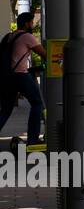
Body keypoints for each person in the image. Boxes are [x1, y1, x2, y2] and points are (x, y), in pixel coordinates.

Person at [0, 11, 46, 146]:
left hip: (7, 77)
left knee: (6, 110)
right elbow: (44, 54)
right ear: (26, 23)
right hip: (20, 76)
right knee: (37, 104)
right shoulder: (27, 37)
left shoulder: (9, 36)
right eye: (31, 22)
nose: (32, 24)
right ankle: (33, 139)